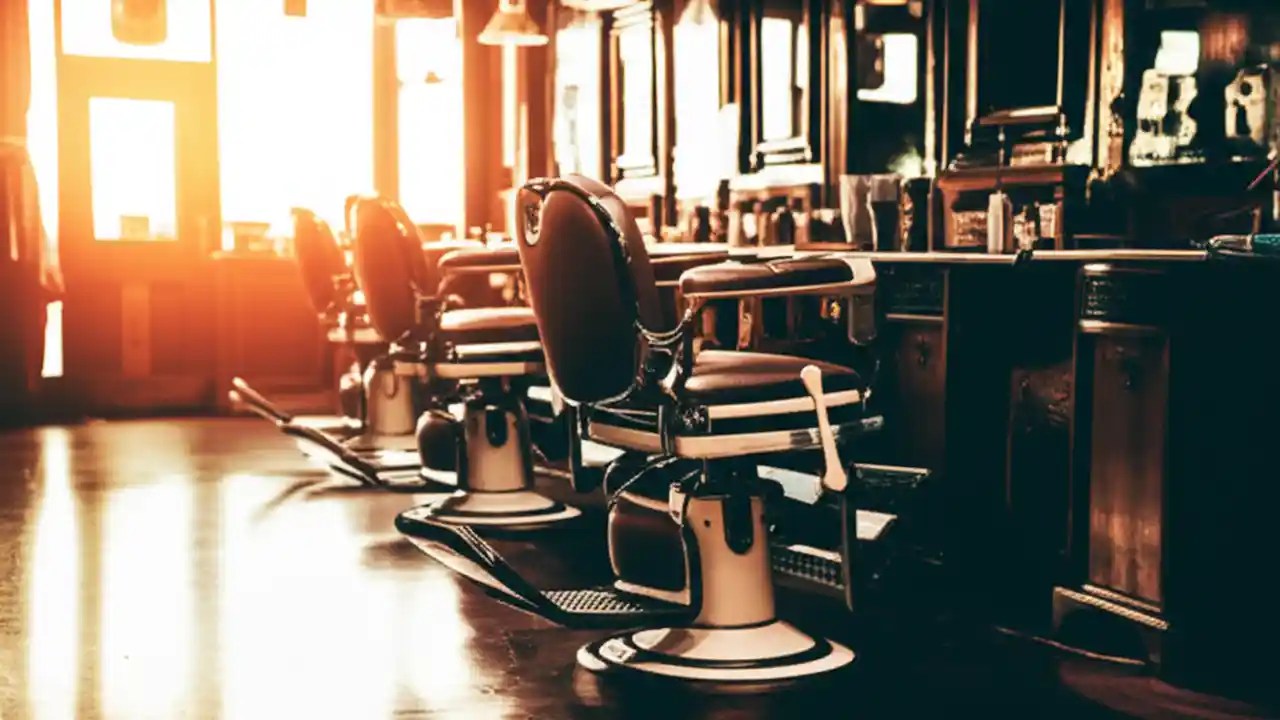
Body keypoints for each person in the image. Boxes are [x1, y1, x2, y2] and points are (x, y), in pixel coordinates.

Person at [0, 137, 61, 426]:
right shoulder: (16, 165)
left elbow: (30, 230)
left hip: (20, 275)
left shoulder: (17, 165)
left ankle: (20, 397)